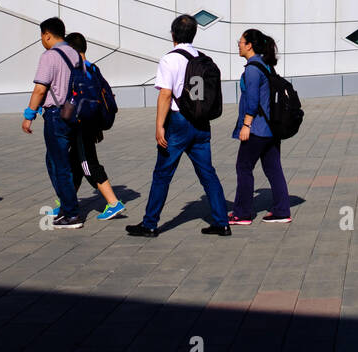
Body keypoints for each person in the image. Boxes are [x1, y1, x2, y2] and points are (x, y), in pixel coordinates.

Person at [126, 14, 230, 238]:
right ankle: (222, 222)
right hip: (201, 122)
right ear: (193, 34)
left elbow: (165, 94)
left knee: (162, 174)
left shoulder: (169, 59)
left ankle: (150, 224)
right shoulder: (202, 57)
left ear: (173, 34)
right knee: (208, 173)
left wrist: (159, 126)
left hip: (179, 122)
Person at [23, 18, 86, 230]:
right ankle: (67, 206)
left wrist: (29, 114)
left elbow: (40, 89)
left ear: (47, 35)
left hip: (55, 115)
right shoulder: (74, 53)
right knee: (56, 160)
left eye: (42, 36)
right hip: (74, 113)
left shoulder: (49, 56)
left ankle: (71, 213)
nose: (42, 40)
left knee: (59, 164)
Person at [228, 28, 291, 225]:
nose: (238, 44)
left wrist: (245, 125)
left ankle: (243, 213)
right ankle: (282, 211)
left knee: (243, 167)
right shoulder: (266, 66)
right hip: (272, 128)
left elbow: (252, 101)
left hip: (257, 128)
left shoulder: (253, 69)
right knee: (273, 168)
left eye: (241, 41)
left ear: (249, 45)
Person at [60, 32, 125, 221]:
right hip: (91, 124)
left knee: (88, 164)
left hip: (81, 126)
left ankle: (113, 203)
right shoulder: (93, 69)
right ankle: (66, 204)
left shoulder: (77, 70)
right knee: (76, 164)